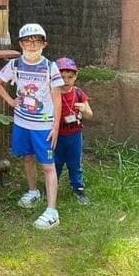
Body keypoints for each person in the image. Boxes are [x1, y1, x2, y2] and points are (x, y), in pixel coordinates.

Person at [0, 23, 65, 229]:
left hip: (43, 126)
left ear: (44, 44)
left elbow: (57, 99)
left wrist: (56, 127)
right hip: (22, 122)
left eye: (36, 42)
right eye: (27, 41)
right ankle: (33, 191)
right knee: (27, 157)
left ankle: (52, 211)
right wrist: (10, 101)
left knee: (48, 166)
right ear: (21, 44)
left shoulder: (50, 67)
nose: (32, 46)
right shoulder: (15, 65)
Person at [54, 57, 93, 205]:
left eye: (70, 77)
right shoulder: (53, 93)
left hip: (74, 135)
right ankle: (52, 186)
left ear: (76, 77)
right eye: (61, 77)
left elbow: (90, 114)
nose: (66, 80)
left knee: (75, 163)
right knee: (55, 163)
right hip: (57, 135)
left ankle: (78, 188)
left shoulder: (78, 93)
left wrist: (84, 109)